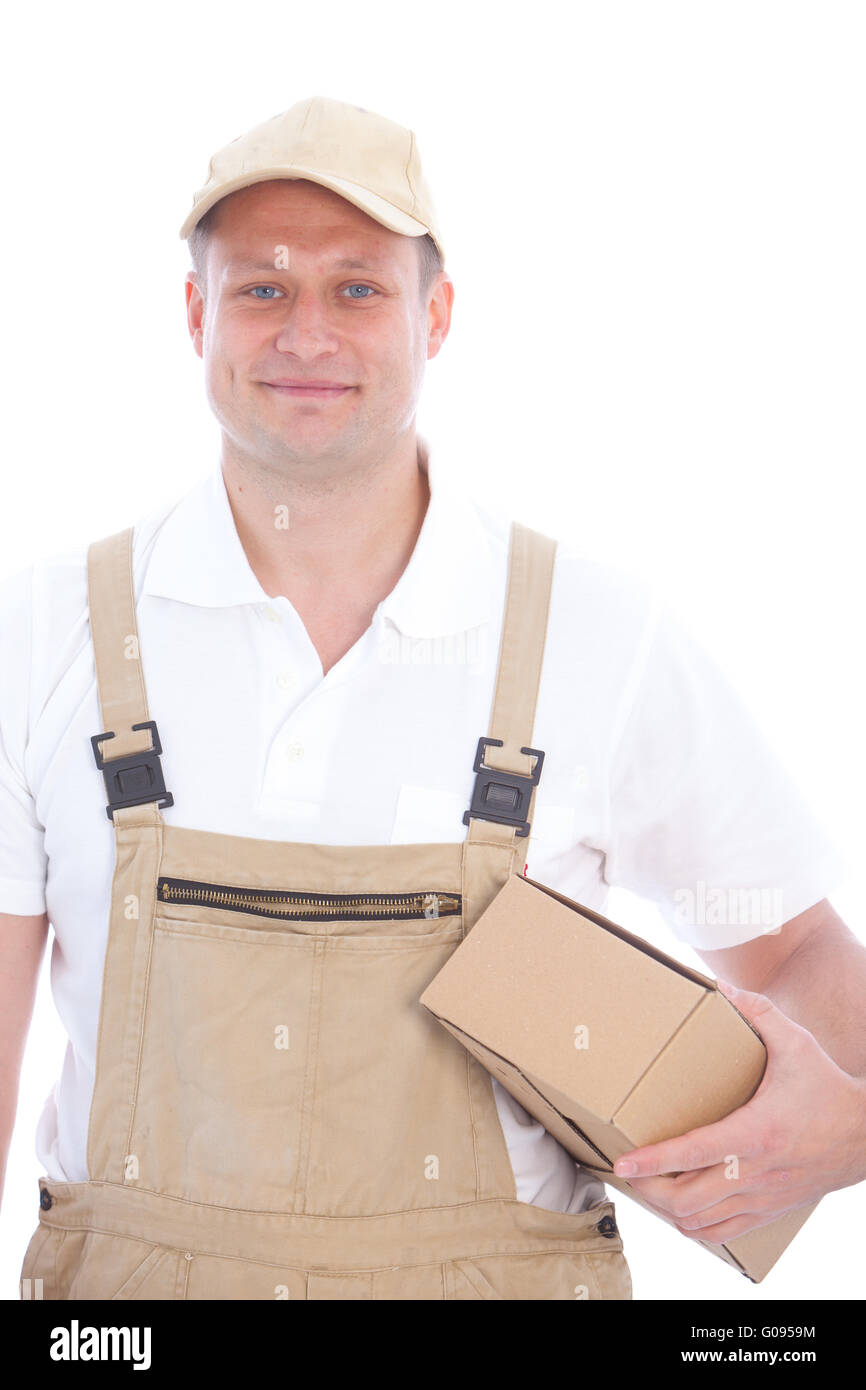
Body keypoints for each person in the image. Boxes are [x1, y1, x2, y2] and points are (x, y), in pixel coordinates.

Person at [2, 96, 864, 1302]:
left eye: (357, 288)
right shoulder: (42, 631)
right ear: (196, 315)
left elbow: (793, 943)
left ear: (436, 317)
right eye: (262, 288)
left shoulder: (593, 632)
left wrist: (852, 1122)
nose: (307, 329)